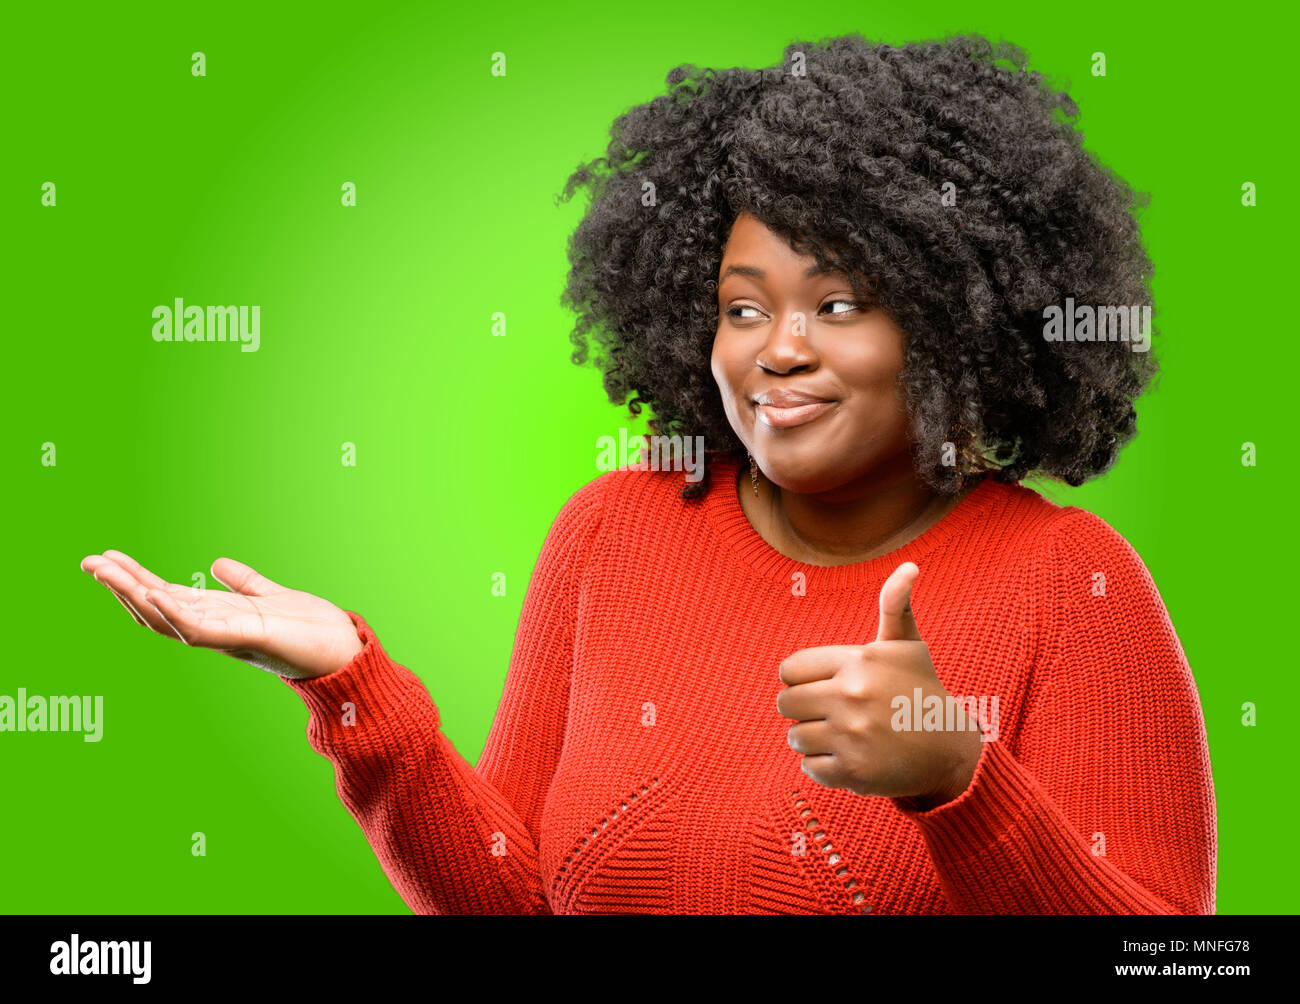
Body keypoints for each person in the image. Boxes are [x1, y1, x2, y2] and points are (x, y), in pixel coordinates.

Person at [80, 32, 1215, 914]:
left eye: (837, 303)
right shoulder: (612, 530)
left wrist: (957, 780)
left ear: (959, 317)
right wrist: (352, 687)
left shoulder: (1072, 581)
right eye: (740, 306)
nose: (775, 348)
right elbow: (511, 895)